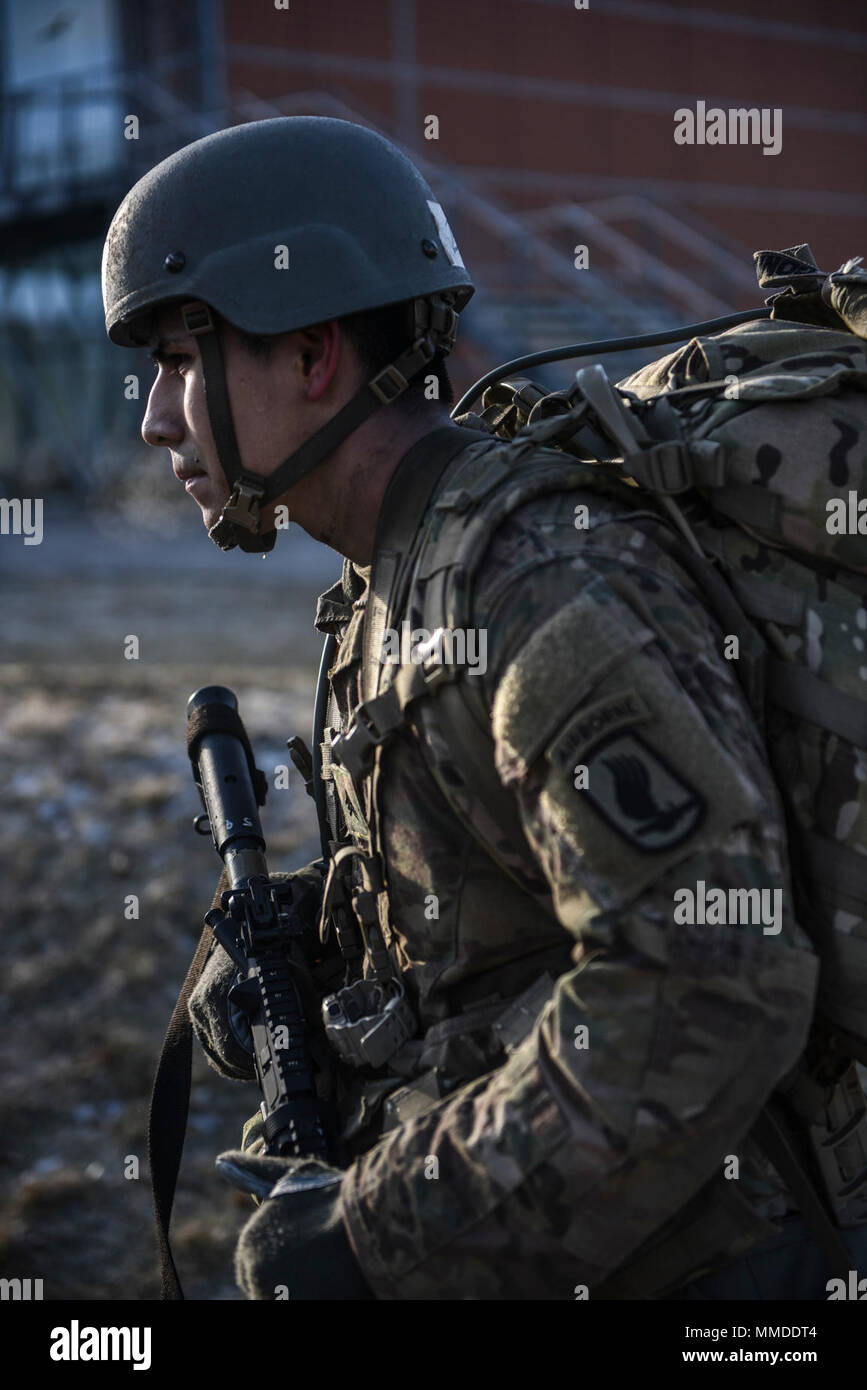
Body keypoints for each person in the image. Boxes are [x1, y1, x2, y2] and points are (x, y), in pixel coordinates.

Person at [102, 116, 867, 1300]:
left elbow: (712, 985)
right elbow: (503, 887)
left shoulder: (537, 583)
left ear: (312, 355)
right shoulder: (391, 571)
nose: (155, 417)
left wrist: (379, 1241)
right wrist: (310, 934)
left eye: (185, 359)